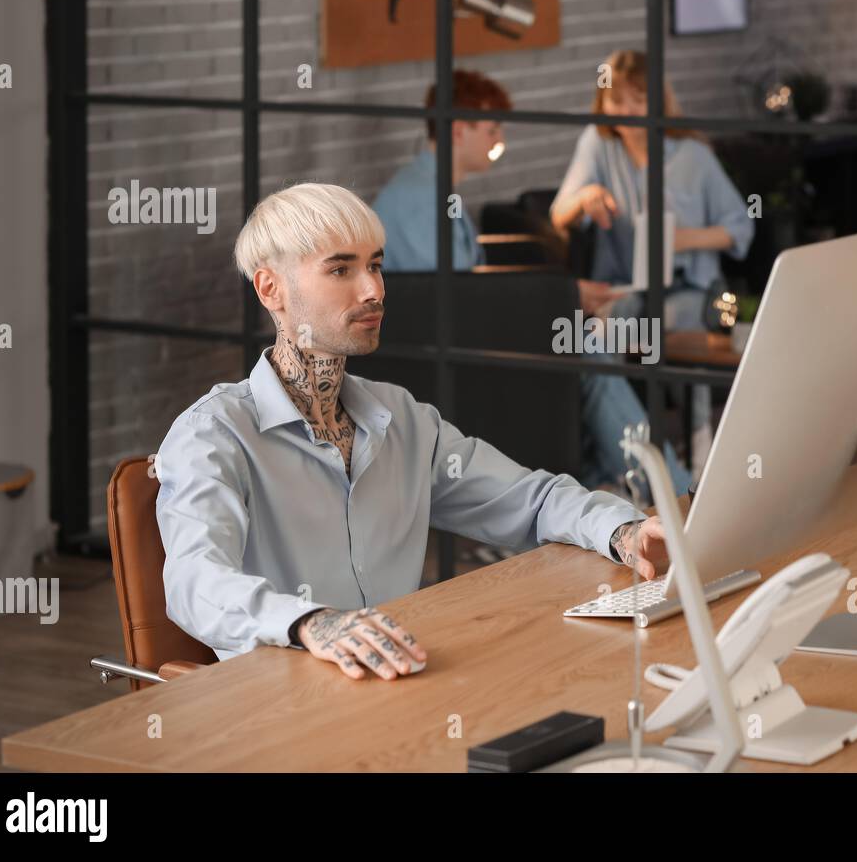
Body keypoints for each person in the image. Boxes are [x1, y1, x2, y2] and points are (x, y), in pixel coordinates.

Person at [155, 183, 671, 680]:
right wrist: (310, 622)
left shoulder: (400, 417)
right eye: (341, 269)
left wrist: (624, 532)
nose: (373, 290)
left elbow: (530, 501)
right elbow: (195, 582)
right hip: (279, 709)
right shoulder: (213, 435)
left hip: (403, 680)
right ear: (271, 289)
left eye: (375, 266)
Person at [372, 69, 692, 503]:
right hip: (449, 361)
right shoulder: (419, 203)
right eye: (491, 129)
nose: (498, 140)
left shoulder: (431, 190)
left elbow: (469, 288)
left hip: (469, 335)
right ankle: (669, 491)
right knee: (586, 351)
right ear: (459, 128)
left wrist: (562, 295)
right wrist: (559, 300)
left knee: (593, 341)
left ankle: (618, 486)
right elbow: (452, 300)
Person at [550, 49, 753, 469]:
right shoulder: (597, 145)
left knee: (666, 325)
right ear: (602, 103)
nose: (627, 112)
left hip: (689, 288)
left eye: (638, 100)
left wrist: (683, 239)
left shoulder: (692, 156)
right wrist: (585, 197)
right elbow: (559, 215)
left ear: (657, 100)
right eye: (616, 101)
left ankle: (698, 449)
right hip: (624, 286)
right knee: (596, 338)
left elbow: (741, 226)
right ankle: (617, 455)